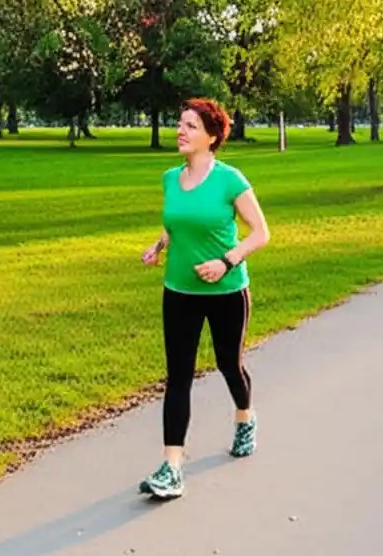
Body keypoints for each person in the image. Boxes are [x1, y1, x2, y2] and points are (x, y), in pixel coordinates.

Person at [138, 98, 271, 499]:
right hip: (178, 291)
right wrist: (159, 244)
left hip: (226, 291)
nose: (181, 131)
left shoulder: (230, 180)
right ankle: (172, 467)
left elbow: (260, 233)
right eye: (180, 124)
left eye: (191, 126)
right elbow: (177, 223)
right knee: (178, 377)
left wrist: (226, 262)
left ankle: (245, 419)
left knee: (230, 364)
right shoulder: (168, 178)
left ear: (211, 137)